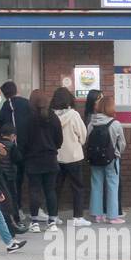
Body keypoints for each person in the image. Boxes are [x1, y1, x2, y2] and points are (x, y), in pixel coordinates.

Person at [24, 90, 62, 232]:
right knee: (50, 191)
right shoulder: (53, 117)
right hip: (51, 159)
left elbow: (23, 140)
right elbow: (59, 140)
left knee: (34, 191)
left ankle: (34, 222)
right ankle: (52, 221)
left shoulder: (29, 118)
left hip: (33, 160)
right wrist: (53, 147)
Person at [52, 87, 90, 227]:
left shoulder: (51, 115)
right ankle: (77, 217)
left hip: (56, 157)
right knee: (77, 187)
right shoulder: (73, 115)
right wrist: (78, 143)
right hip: (74, 156)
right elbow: (83, 134)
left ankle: (53, 216)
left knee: (56, 187)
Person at [87, 95, 127, 224]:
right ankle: (112, 216)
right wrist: (117, 153)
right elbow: (122, 143)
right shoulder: (115, 124)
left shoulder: (91, 123)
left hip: (94, 159)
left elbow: (87, 141)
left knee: (96, 185)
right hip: (111, 159)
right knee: (112, 185)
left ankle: (96, 215)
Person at [0, 82, 32, 231]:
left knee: (11, 184)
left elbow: (1, 124)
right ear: (17, 90)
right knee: (25, 180)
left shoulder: (6, 106)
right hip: (28, 149)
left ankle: (15, 210)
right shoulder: (27, 104)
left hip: (10, 151)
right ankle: (21, 210)